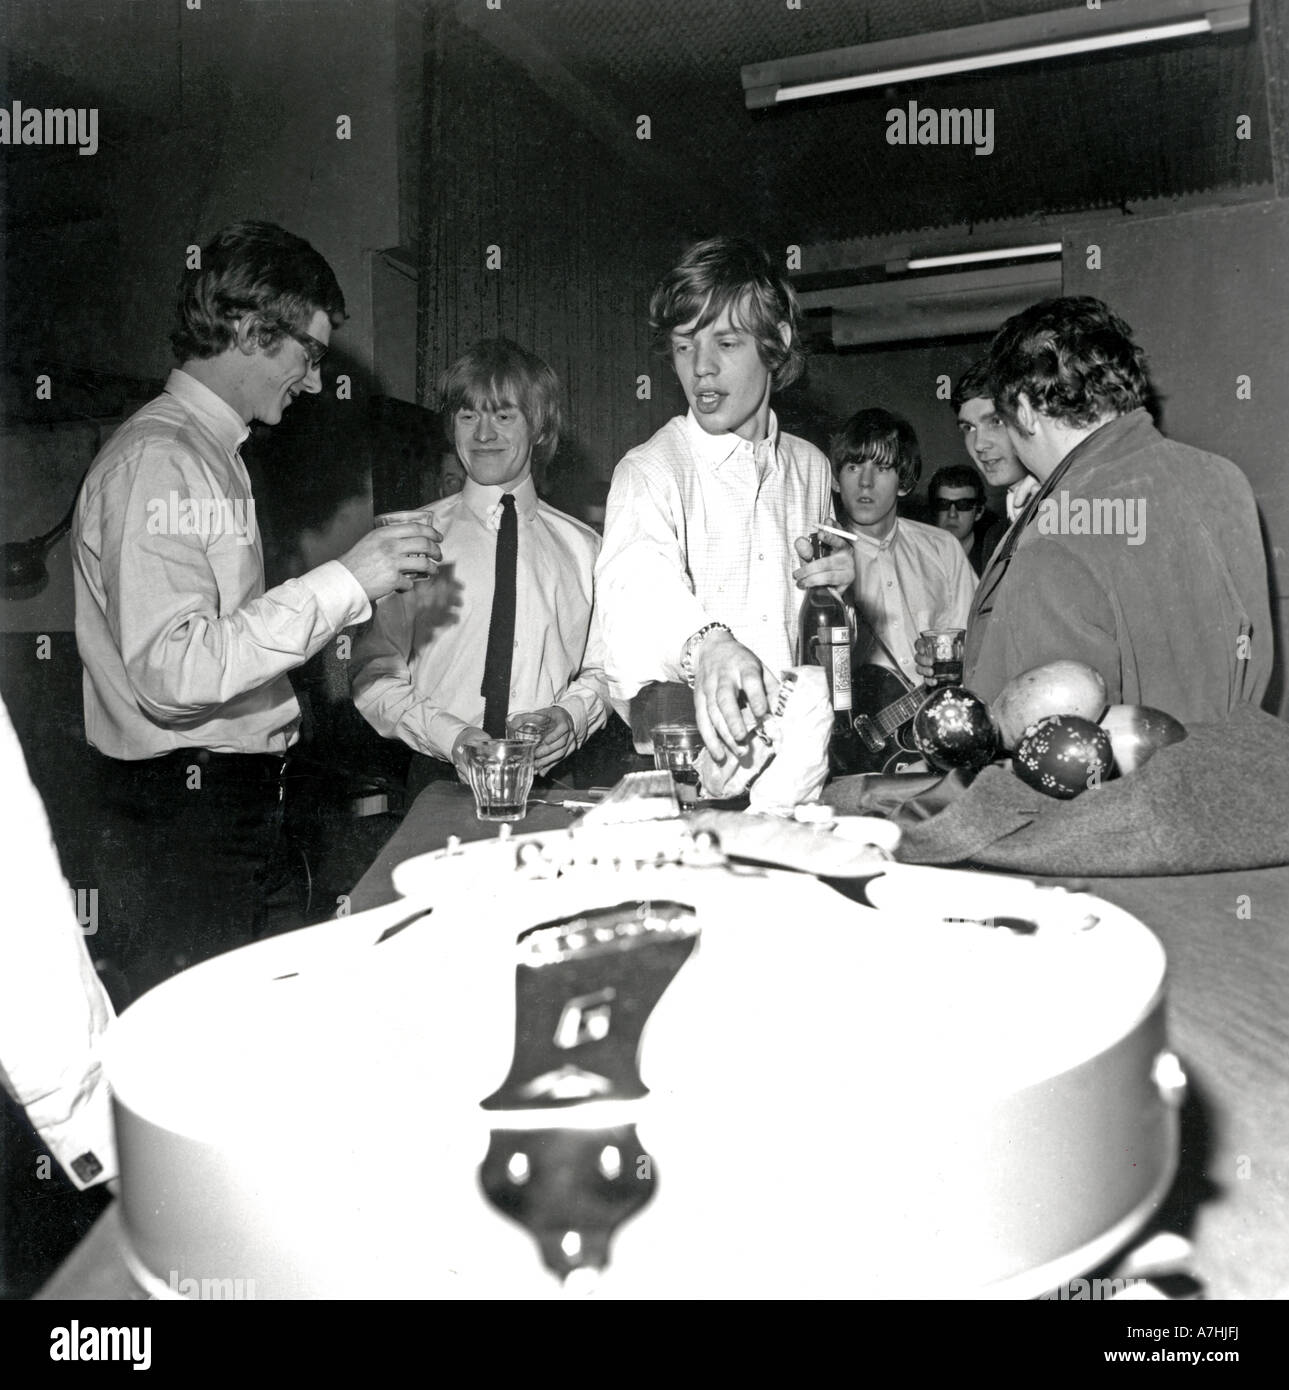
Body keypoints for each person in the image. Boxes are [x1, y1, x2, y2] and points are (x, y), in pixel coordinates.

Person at [72, 220, 441, 1002]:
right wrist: (348, 580)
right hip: (186, 822)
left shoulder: (211, 454)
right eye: (306, 352)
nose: (312, 380)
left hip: (230, 810)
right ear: (246, 328)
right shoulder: (162, 458)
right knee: (197, 1070)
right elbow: (173, 670)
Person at [942, 296, 1272, 717]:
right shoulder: (1223, 479)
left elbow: (1050, 746)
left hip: (1126, 783)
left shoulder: (1054, 536)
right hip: (1227, 769)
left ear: (1024, 411)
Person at [594, 235, 853, 761]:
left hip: (802, 760)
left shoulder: (812, 466)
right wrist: (708, 645)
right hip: (692, 766)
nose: (701, 368)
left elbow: (819, 636)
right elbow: (636, 588)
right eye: (685, 346)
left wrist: (845, 597)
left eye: (727, 343)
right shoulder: (650, 469)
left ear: (775, 342)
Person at [350, 339, 608, 788]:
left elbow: (606, 668)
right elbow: (374, 674)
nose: (483, 435)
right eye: (468, 416)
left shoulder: (585, 548)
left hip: (550, 781)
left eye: (504, 416)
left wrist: (572, 716)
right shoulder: (412, 539)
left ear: (541, 428)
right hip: (439, 777)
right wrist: (451, 737)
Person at [833, 411, 975, 690]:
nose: (865, 482)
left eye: (882, 468)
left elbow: (976, 641)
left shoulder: (943, 547)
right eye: (853, 466)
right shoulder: (823, 559)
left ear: (905, 482)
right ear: (836, 479)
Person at [952, 358, 1040, 565]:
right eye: (968, 428)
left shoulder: (1074, 511)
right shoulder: (994, 537)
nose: (979, 444)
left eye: (996, 422)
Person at [926, 463, 989, 575]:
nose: (952, 514)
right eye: (943, 504)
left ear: (979, 512)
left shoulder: (991, 561)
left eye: (963, 504)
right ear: (933, 509)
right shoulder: (918, 555)